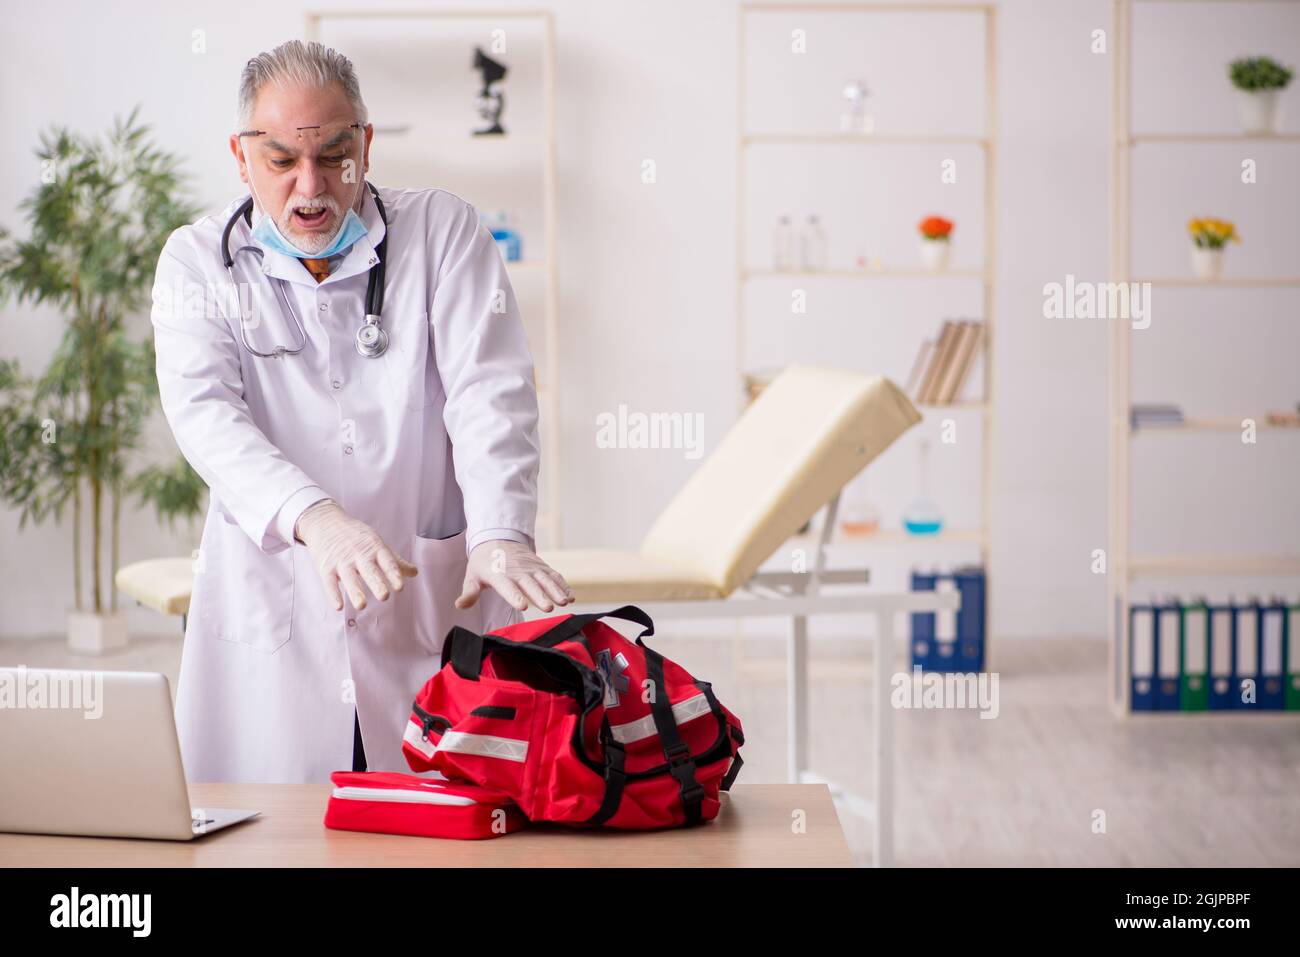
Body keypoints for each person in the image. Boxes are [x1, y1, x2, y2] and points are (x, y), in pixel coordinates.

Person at [150, 39, 572, 783]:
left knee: (437, 824)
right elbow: (206, 415)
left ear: (367, 146)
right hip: (276, 615)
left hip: (425, 611)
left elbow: (491, 391)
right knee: (271, 835)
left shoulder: (444, 234)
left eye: (334, 154)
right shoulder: (196, 262)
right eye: (281, 160)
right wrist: (316, 518)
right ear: (240, 158)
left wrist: (500, 530)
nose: (310, 186)